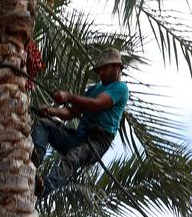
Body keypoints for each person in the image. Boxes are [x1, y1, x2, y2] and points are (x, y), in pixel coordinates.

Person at [32, 48, 129, 199]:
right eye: (99, 70)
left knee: (73, 158)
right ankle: (35, 157)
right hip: (78, 137)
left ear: (117, 67)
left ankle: (44, 188)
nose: (100, 73)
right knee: (45, 124)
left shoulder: (121, 89)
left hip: (97, 142)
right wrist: (51, 111)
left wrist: (68, 96)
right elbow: (71, 113)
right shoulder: (94, 89)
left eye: (104, 69)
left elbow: (97, 104)